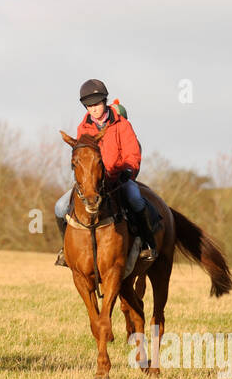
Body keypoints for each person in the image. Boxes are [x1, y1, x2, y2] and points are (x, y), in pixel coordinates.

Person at [54, 79, 156, 266]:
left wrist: (128, 170)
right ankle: (65, 250)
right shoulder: (82, 128)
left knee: (134, 198)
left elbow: (132, 152)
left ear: (105, 101)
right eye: (89, 106)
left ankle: (147, 244)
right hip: (92, 182)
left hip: (119, 179)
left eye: (97, 104)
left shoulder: (122, 125)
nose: (93, 109)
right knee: (60, 207)